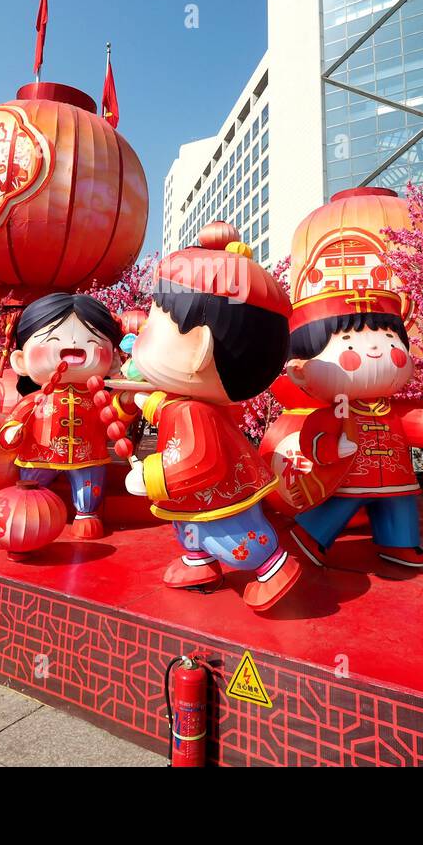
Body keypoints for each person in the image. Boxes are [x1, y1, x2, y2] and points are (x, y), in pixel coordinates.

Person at [122, 221, 300, 613]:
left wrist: (150, 475)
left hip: (217, 493)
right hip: (197, 499)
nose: (140, 332)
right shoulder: (186, 402)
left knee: (231, 537)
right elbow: (166, 409)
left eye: (154, 323)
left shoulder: (194, 411)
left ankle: (272, 567)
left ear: (199, 349)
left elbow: (199, 461)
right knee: (190, 529)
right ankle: (198, 563)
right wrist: (146, 403)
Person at [279, 289, 423, 569]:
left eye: (390, 340)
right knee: (339, 505)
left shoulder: (396, 412)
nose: (376, 350)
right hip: (348, 477)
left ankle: (399, 543)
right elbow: (314, 436)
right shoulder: (338, 410)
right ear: (301, 369)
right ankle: (310, 533)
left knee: (399, 506)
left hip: (396, 476)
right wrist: (330, 447)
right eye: (350, 346)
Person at [0, 292, 134, 539]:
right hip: (39, 455)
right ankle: (29, 513)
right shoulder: (35, 399)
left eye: (92, 341)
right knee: (31, 487)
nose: (73, 347)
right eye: (53, 339)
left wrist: (126, 404)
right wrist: (12, 432)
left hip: (88, 455)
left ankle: (86, 514)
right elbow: (15, 419)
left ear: (114, 361)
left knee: (90, 484)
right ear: (20, 361)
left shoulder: (98, 399)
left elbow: (114, 421)